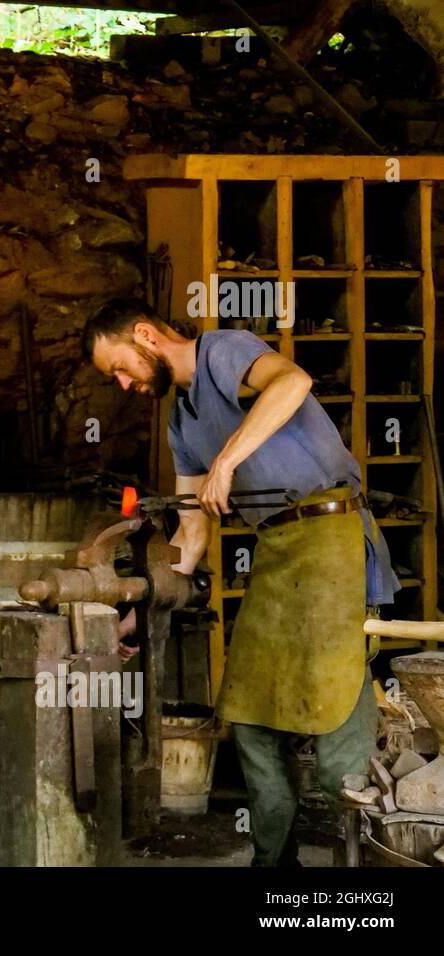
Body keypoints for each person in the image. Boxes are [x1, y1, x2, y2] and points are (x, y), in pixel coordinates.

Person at [82, 298, 397, 866]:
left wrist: (226, 462)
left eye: (120, 367)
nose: (124, 384)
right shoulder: (182, 421)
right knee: (250, 720)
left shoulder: (223, 351)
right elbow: (193, 535)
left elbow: (292, 380)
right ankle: (274, 867)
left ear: (146, 335)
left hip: (331, 540)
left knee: (335, 749)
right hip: (276, 553)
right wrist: (135, 612)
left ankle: (372, 862)